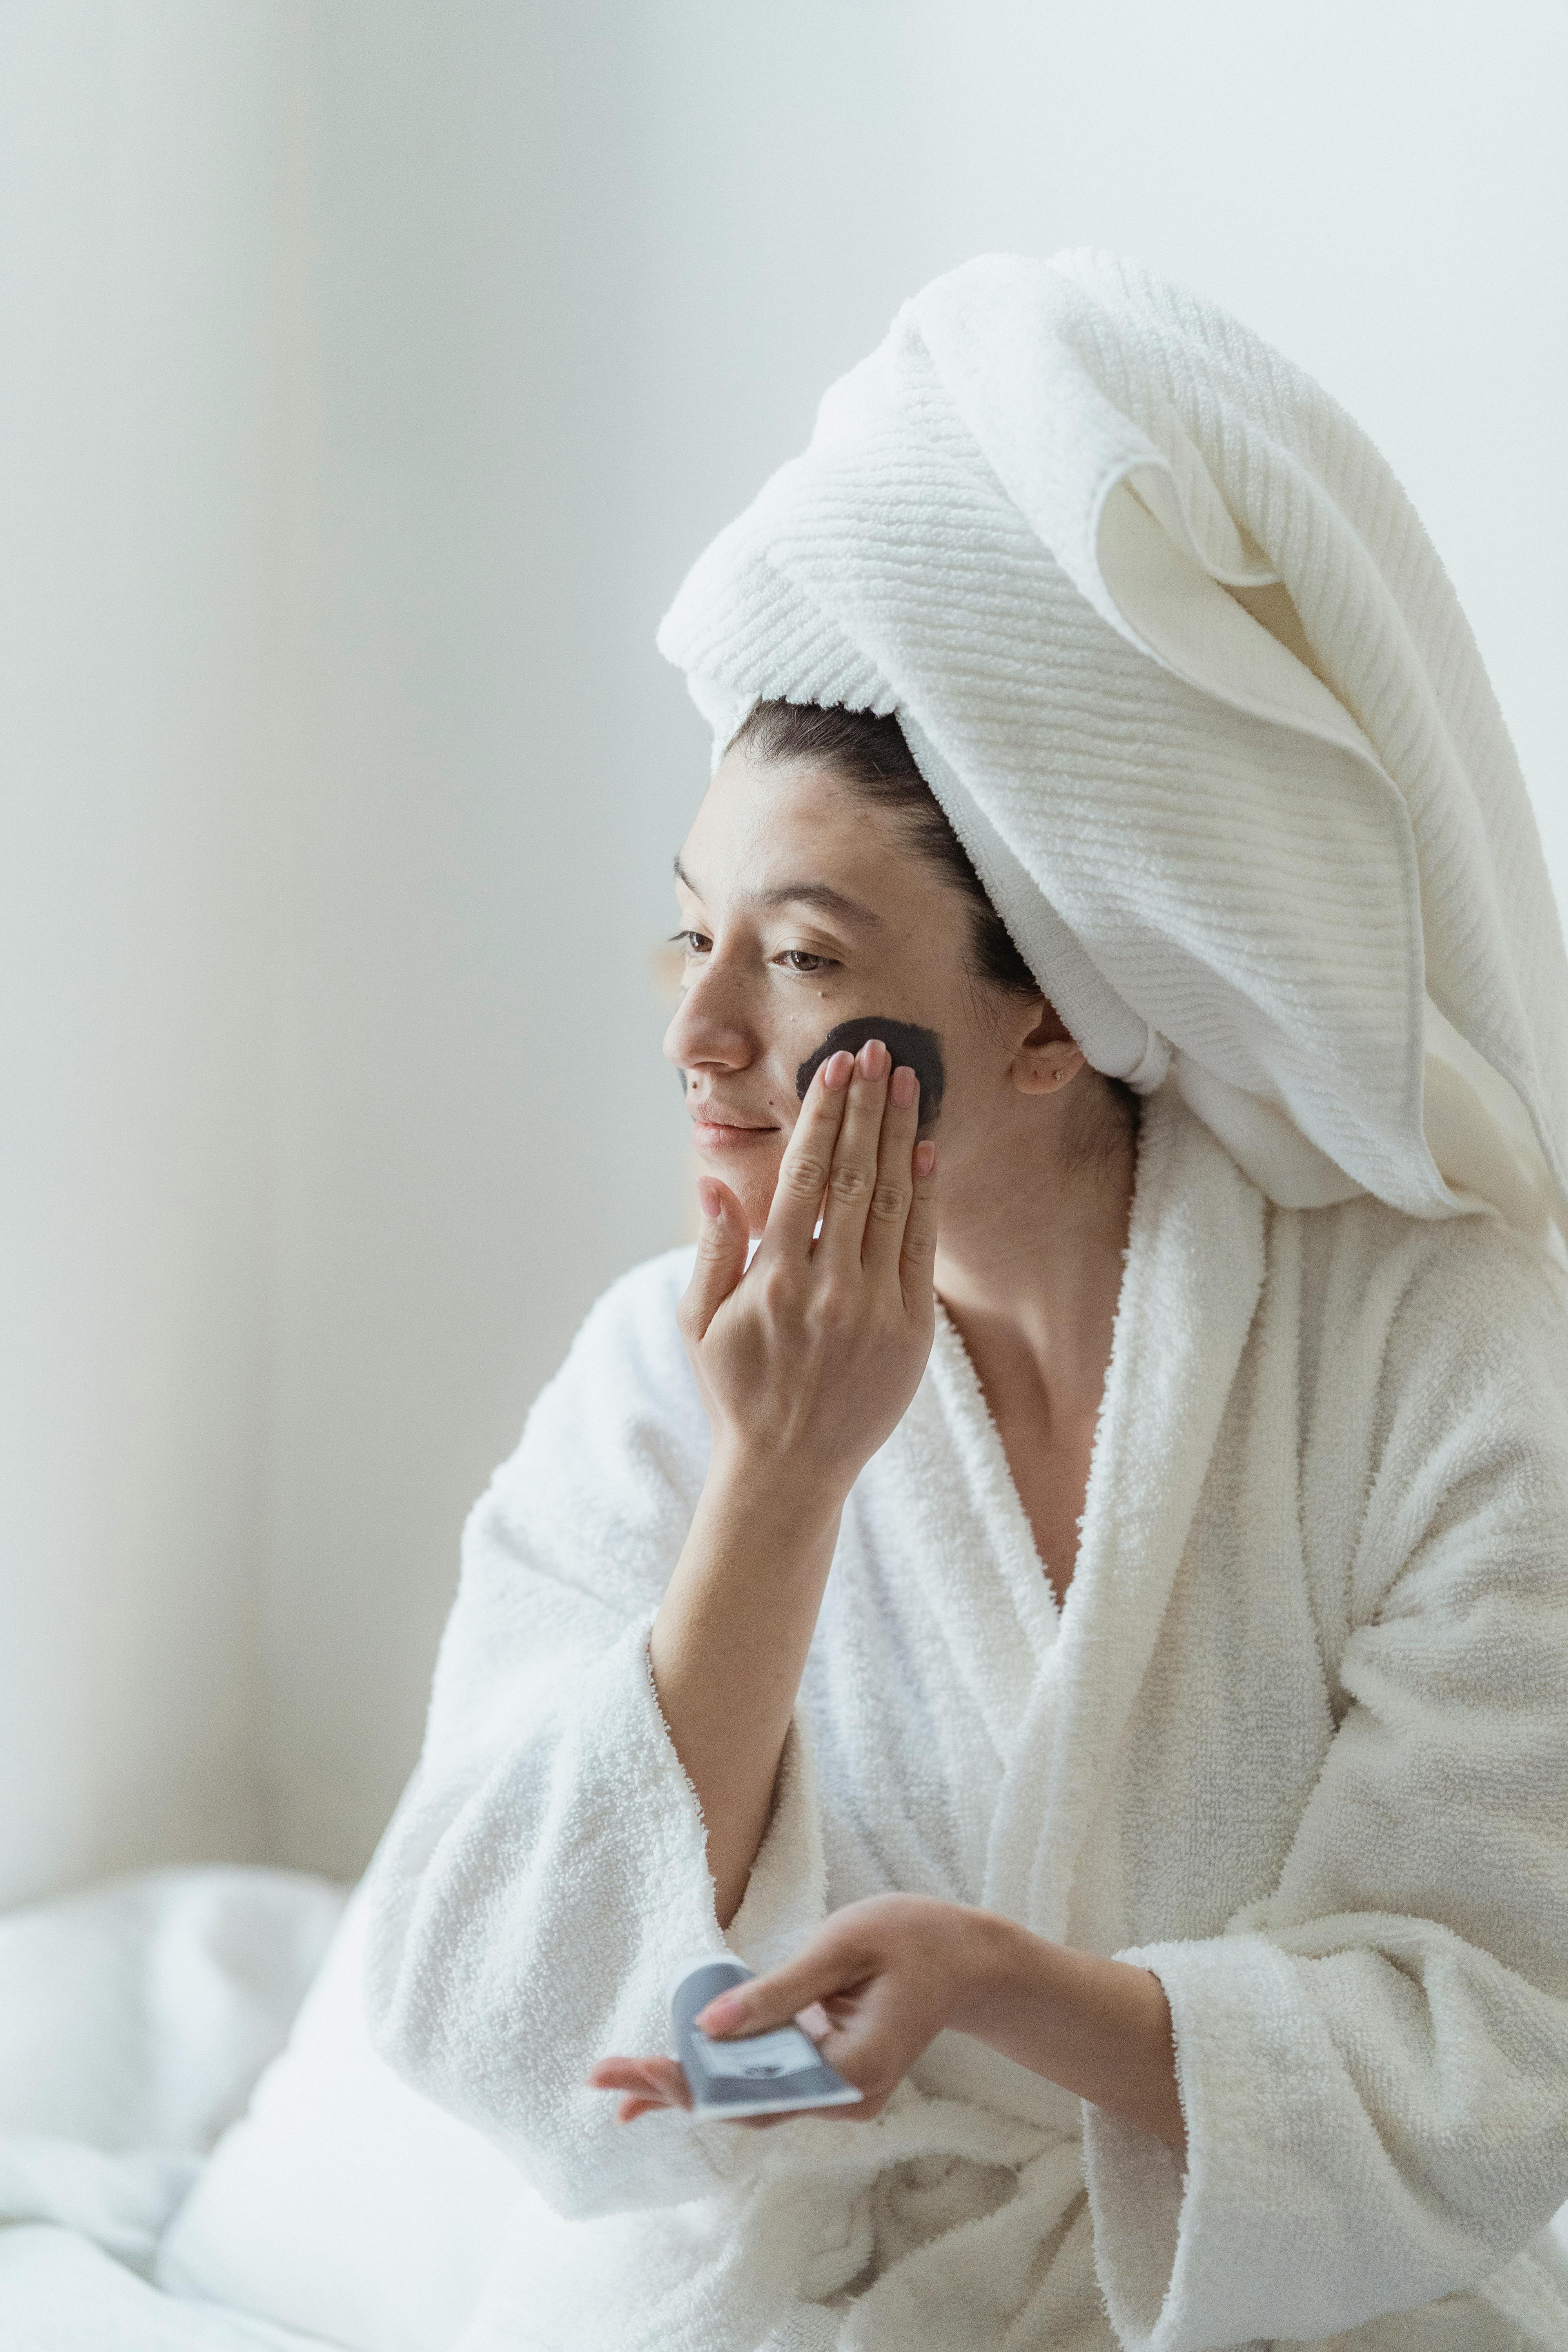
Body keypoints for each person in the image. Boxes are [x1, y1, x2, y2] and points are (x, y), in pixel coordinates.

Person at [363, 254, 1568, 2351]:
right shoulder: (663, 1386)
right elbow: (483, 2020)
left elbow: (1501, 2027)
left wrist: (1034, 2000)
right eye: (693, 937)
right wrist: (778, 1484)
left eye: (809, 962)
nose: (703, 1037)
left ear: (1049, 1017)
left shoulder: (1438, 1362)